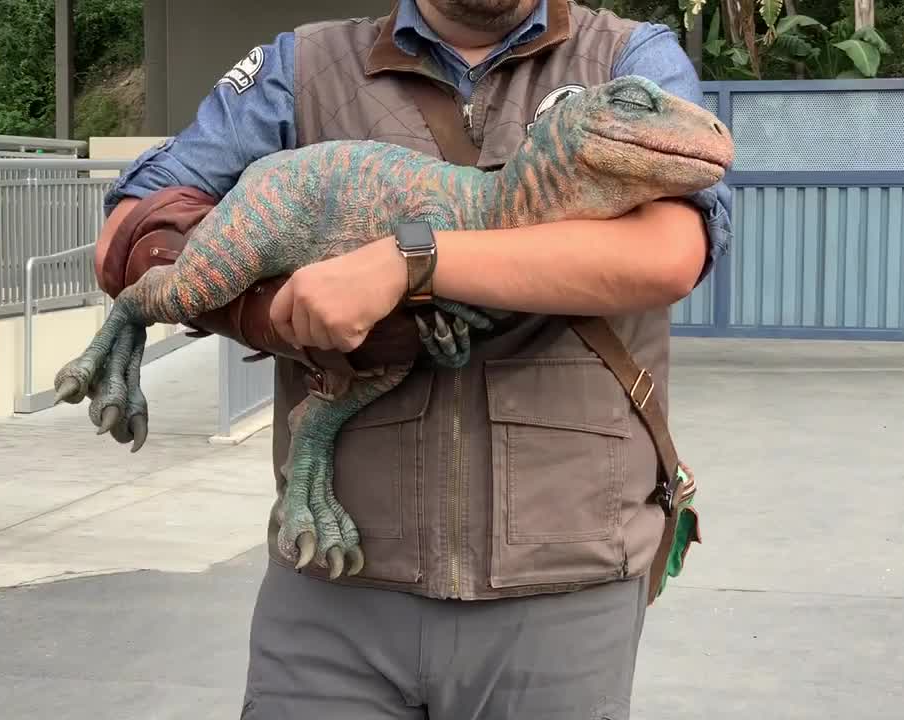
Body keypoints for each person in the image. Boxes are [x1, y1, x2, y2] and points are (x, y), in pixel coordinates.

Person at [95, 1, 732, 717]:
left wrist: (411, 264)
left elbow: (668, 254)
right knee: (361, 343)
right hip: (335, 596)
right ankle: (128, 339)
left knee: (405, 345)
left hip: (563, 585)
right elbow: (132, 226)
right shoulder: (300, 68)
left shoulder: (627, 54)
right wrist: (278, 313)